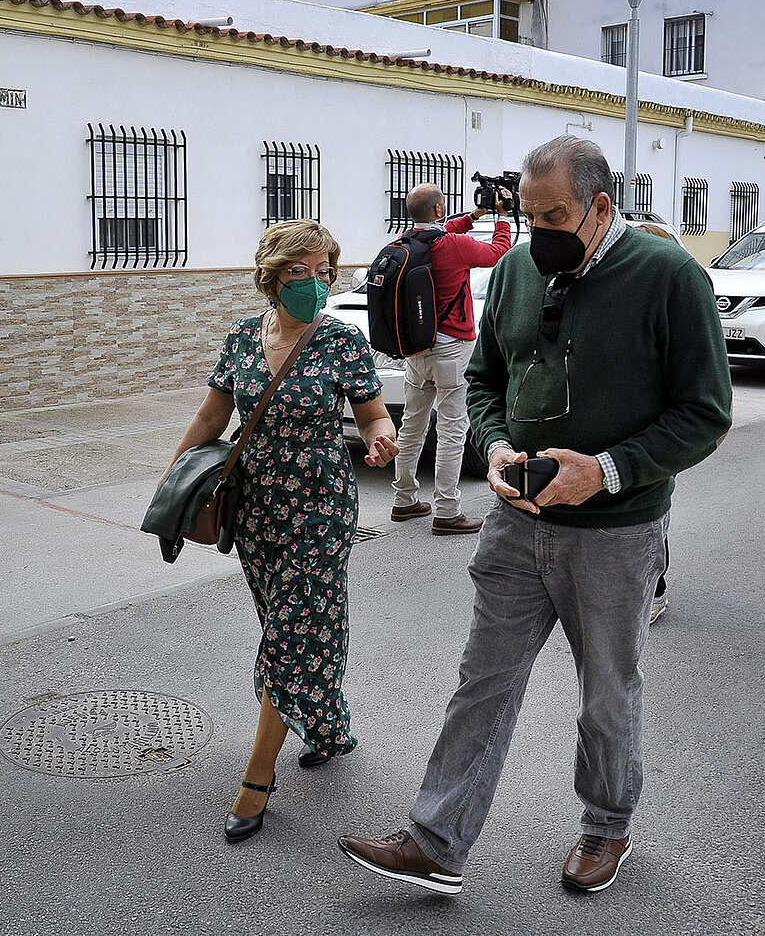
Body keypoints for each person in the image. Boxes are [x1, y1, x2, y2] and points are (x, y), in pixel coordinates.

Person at [337, 135, 731, 896]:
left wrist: (606, 470)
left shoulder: (669, 277)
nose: (536, 228)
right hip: (517, 522)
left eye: (554, 214)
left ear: (601, 207)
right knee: (483, 679)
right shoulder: (518, 269)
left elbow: (706, 413)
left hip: (616, 533)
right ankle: (437, 840)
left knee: (607, 690)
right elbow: (485, 381)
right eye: (527, 212)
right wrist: (492, 448)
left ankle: (607, 824)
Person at [167, 219, 399, 842]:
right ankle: (325, 723)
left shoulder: (343, 342)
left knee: (295, 630)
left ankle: (257, 775)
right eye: (303, 272)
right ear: (272, 277)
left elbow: (373, 415)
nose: (317, 283)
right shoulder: (244, 338)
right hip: (257, 508)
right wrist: (174, 483)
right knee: (287, 621)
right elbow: (213, 414)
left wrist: (382, 439)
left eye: (325, 271)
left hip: (321, 506)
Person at [390, 182, 513, 535]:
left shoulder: (404, 244)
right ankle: (447, 510)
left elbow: (443, 232)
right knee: (452, 429)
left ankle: (404, 499)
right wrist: (502, 219)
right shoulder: (453, 247)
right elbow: (497, 254)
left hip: (417, 350)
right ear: (439, 210)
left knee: (412, 424)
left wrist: (475, 215)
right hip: (451, 349)